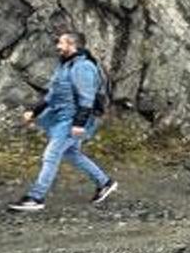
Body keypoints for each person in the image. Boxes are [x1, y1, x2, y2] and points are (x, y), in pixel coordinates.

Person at [9, 32, 116, 212]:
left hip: (72, 119)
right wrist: (34, 112)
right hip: (62, 118)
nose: (58, 46)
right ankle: (105, 182)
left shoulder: (83, 67)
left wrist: (79, 124)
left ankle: (36, 197)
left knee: (51, 155)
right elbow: (52, 94)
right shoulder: (65, 65)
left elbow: (86, 99)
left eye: (61, 43)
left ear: (72, 45)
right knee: (72, 153)